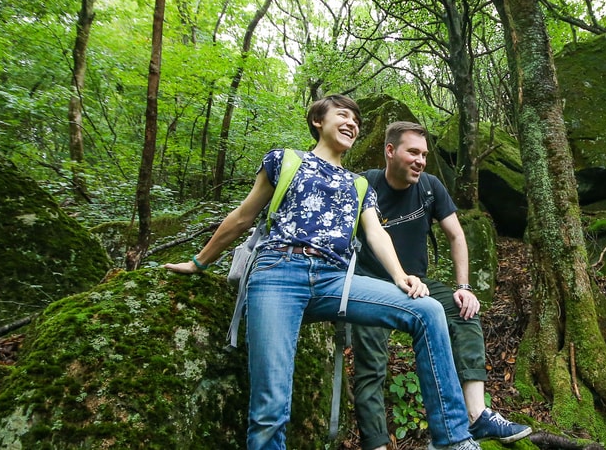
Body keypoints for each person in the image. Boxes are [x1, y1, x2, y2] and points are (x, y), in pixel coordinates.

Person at [164, 97, 477, 450]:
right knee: (271, 406)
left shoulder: (359, 185)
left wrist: (401, 276)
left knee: (429, 310)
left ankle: (452, 438)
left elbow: (376, 233)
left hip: (334, 280)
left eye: (356, 120)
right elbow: (242, 217)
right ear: (317, 120)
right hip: (277, 273)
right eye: (342, 115)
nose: (352, 123)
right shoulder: (285, 161)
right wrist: (198, 262)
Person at [353, 121, 532, 449]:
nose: (421, 160)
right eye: (412, 152)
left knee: (464, 309)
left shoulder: (431, 186)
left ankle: (476, 415)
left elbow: (456, 235)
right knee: (371, 363)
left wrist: (464, 286)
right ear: (390, 151)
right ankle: (376, 443)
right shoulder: (366, 183)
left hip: (418, 283)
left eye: (424, 154)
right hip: (371, 283)